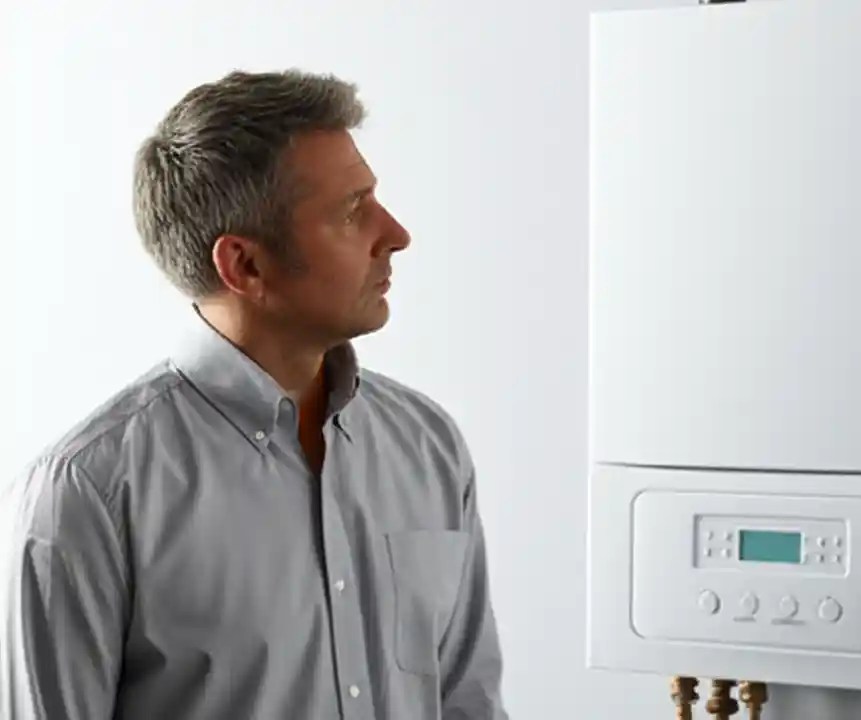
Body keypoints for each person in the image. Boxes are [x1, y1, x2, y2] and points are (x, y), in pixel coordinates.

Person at [0, 69, 507, 719]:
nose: (396, 233)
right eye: (354, 211)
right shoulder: (86, 493)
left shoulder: (427, 445)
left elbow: (469, 702)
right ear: (245, 265)